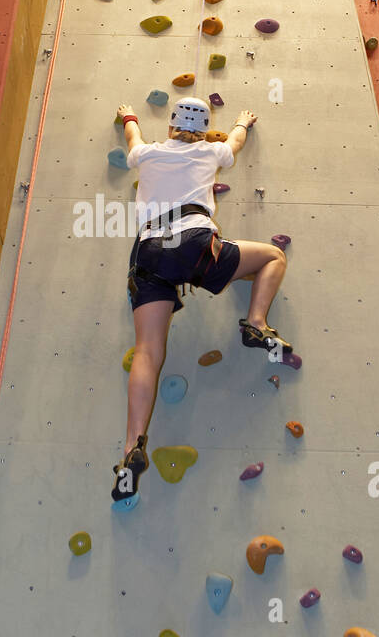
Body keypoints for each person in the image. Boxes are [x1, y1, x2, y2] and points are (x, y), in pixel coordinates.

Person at [111, 96, 292, 504]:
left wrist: (129, 116)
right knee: (272, 257)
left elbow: (132, 137)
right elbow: (236, 143)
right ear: (202, 127)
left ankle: (130, 451)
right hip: (195, 244)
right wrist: (242, 121)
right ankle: (256, 324)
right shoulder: (212, 150)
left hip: (150, 249)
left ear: (172, 126)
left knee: (147, 352)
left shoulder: (151, 152)